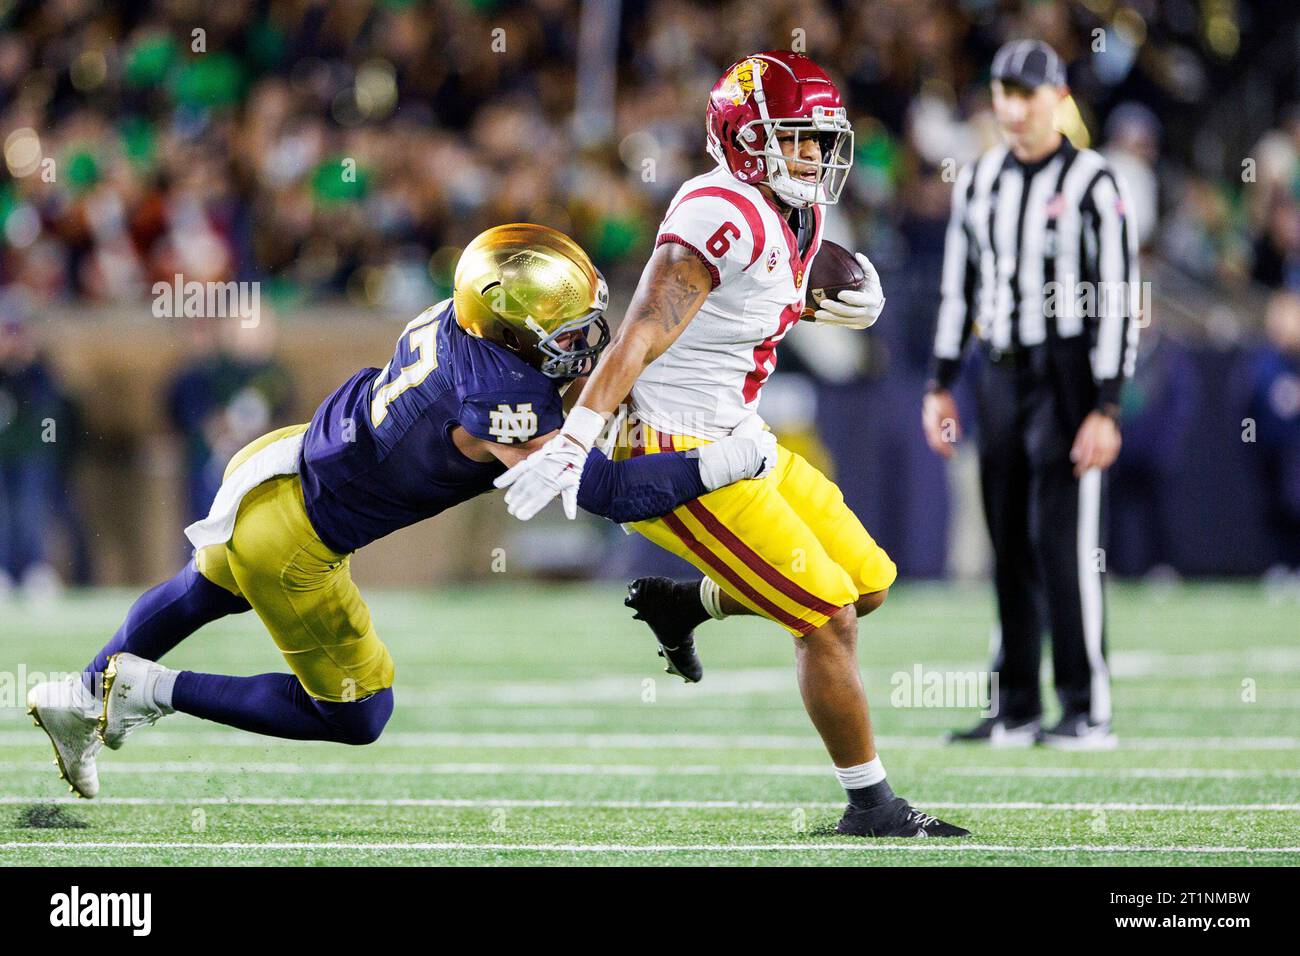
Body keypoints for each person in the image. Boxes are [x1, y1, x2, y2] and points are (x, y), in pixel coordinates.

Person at [26, 224, 774, 799]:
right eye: (567, 327)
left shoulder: (457, 317)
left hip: (279, 463)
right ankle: (146, 689)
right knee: (358, 714)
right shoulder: (501, 402)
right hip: (297, 537)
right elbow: (603, 490)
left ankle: (81, 693)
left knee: (203, 588)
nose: (585, 340)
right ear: (512, 330)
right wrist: (724, 461)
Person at [495, 52, 968, 838]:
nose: (814, 156)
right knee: (826, 620)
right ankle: (871, 806)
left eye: (820, 140)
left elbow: (751, 300)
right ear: (746, 137)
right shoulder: (721, 208)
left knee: (870, 585)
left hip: (742, 437)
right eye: (797, 139)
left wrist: (820, 299)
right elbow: (643, 333)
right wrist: (578, 438)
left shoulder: (797, 213)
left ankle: (691, 602)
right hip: (675, 453)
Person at [922, 40, 1141, 749]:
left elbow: (1117, 297)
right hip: (1001, 371)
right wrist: (941, 382)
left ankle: (1086, 707)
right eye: (1003, 93)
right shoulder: (981, 179)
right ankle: (1015, 704)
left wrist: (1107, 404)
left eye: (1027, 94)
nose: (1013, 109)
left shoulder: (1093, 181)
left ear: (1058, 97)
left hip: (1068, 371)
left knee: (1065, 542)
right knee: (1006, 536)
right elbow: (962, 287)